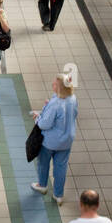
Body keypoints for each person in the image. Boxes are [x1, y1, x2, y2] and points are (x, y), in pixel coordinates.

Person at [30, 74, 77, 205]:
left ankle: (42, 185)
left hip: (50, 142)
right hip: (67, 140)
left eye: (55, 84)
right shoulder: (72, 98)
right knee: (61, 167)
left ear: (60, 88)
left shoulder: (56, 103)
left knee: (43, 163)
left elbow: (45, 124)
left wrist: (37, 118)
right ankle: (58, 195)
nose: (52, 84)